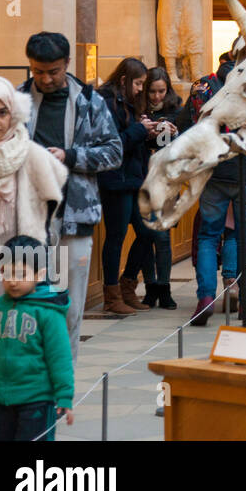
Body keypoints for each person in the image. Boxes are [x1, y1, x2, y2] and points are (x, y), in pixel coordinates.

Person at [0, 77, 68, 442]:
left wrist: (49, 280)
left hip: (23, 273)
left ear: (15, 114)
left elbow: (49, 221)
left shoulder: (33, 156)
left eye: (2, 112)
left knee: (26, 362)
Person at [19, 32, 123, 366]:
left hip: (73, 218)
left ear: (66, 64)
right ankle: (31, 386)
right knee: (26, 303)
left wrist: (69, 155)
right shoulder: (16, 100)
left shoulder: (90, 102)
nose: (45, 79)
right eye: (37, 72)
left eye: (53, 71)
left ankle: (63, 385)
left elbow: (114, 152)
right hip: (25, 217)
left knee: (70, 306)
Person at [177, 53, 246, 325]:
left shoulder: (201, 87)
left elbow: (185, 126)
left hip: (213, 174)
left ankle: (205, 297)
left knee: (208, 236)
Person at [0, 237, 74, 441]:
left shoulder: (48, 312)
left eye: (21, 274)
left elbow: (60, 357)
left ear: (40, 273)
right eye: (7, 274)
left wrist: (64, 396)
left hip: (36, 401)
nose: (13, 280)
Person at [95, 58, 158, 315]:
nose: (140, 89)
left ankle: (128, 285)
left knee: (148, 231)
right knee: (116, 237)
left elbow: (132, 138)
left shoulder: (128, 103)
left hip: (133, 177)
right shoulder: (105, 104)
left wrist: (151, 133)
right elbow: (112, 144)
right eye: (139, 84)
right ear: (124, 80)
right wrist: (139, 130)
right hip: (115, 180)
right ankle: (111, 295)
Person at [121, 67, 181, 309]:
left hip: (166, 181)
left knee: (163, 236)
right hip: (143, 179)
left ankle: (163, 288)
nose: (157, 97)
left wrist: (175, 134)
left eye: (161, 91)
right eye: (152, 91)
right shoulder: (136, 111)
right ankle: (150, 286)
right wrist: (145, 133)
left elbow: (183, 146)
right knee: (147, 235)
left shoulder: (176, 110)